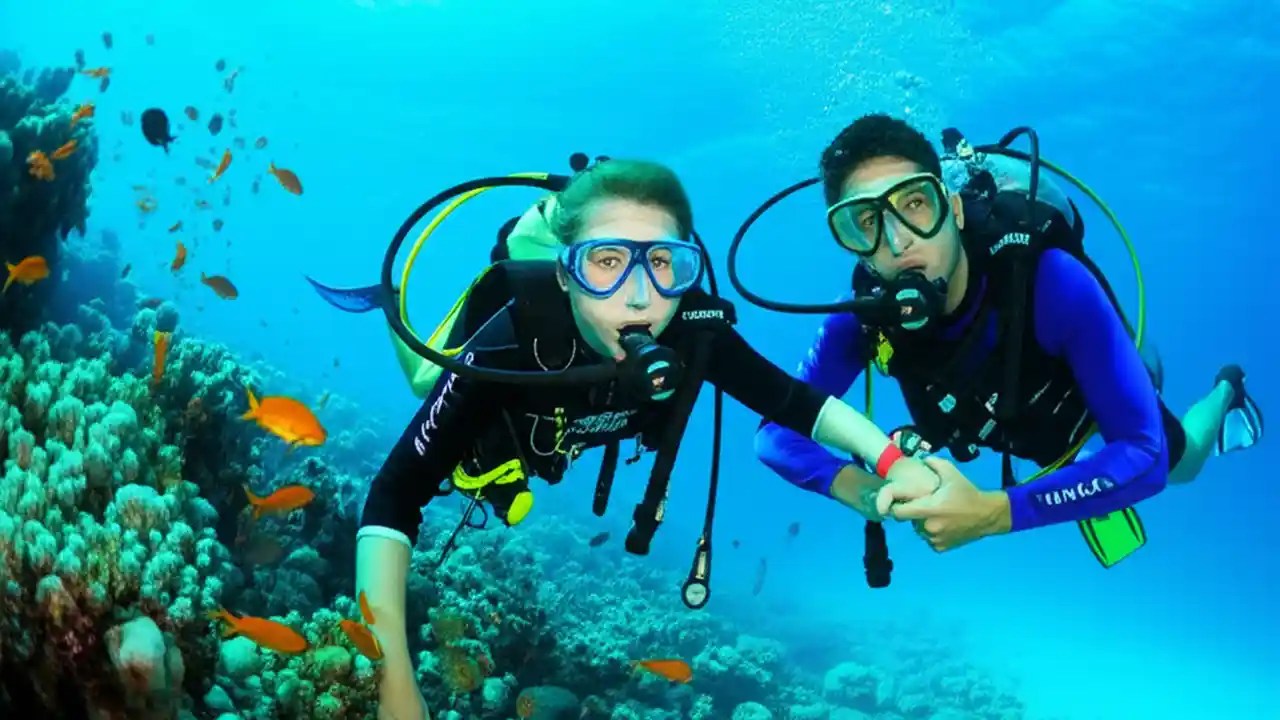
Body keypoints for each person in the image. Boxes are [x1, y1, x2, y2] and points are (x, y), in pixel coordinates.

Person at [355, 158, 942, 720]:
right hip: (501, 427)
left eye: (664, 263)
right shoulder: (512, 341)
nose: (639, 297)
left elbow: (793, 403)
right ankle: (389, 308)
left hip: (550, 439)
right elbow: (394, 495)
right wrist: (395, 681)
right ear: (565, 271)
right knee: (425, 382)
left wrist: (892, 461)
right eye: (605, 261)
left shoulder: (692, 331)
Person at [754, 113, 1263, 563]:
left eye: (914, 204)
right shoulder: (860, 321)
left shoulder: (1049, 281)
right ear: (852, 246)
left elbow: (1144, 456)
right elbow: (776, 434)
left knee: (1184, 462)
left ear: (952, 209)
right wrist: (870, 492)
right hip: (1011, 425)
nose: (897, 239)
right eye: (865, 221)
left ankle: (1225, 391)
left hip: (1089, 404)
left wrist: (992, 514)